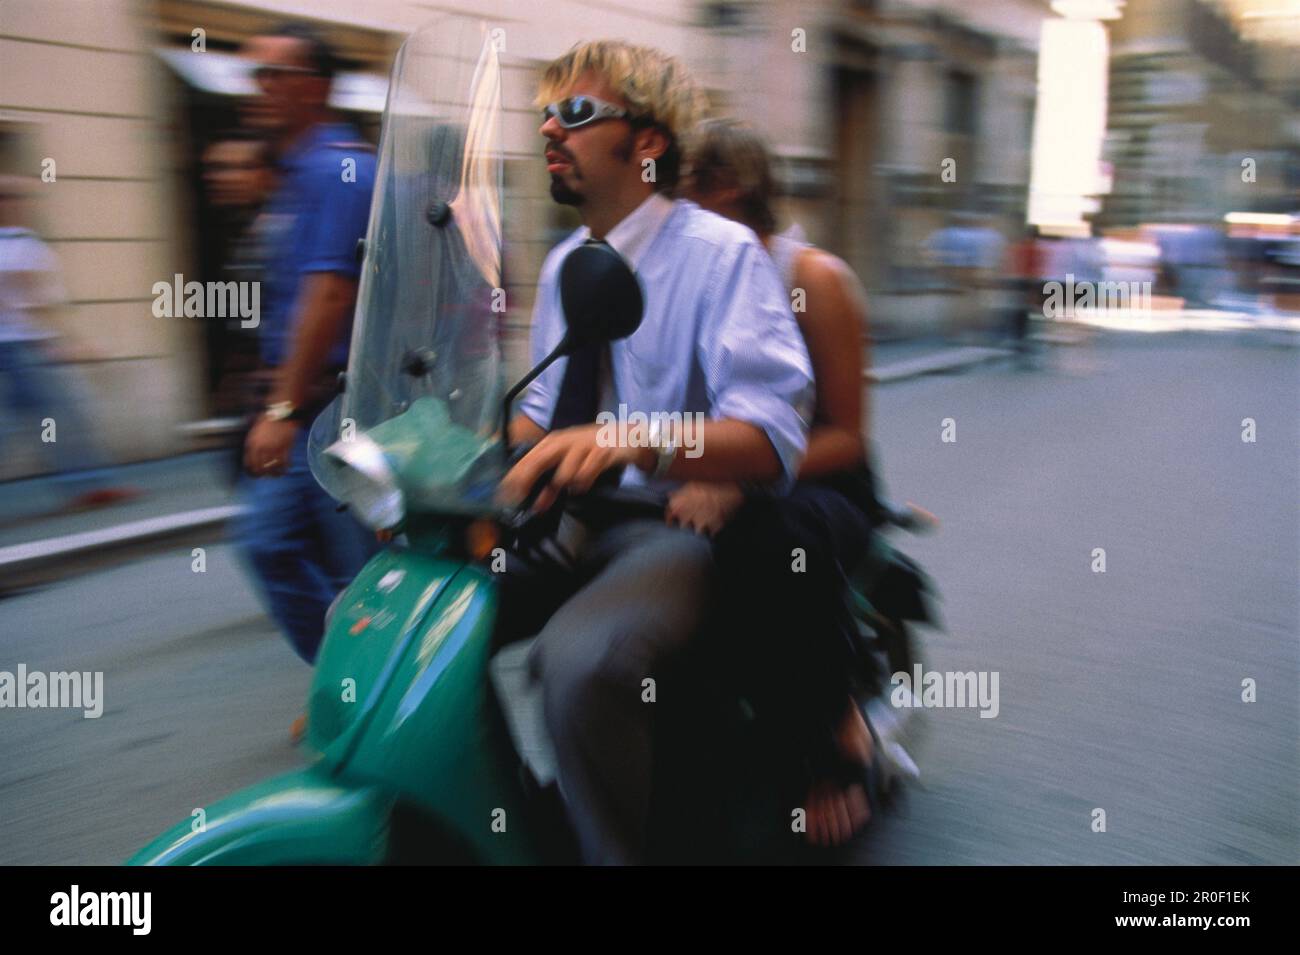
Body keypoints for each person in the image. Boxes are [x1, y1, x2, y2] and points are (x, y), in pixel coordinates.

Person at [496, 42, 815, 865]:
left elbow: (770, 432)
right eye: (545, 115)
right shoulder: (569, 263)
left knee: (579, 664)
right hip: (564, 519)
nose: (549, 130)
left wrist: (634, 439)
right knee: (430, 628)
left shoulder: (720, 255)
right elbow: (540, 411)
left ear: (647, 143)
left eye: (574, 113)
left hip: (668, 523)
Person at [674, 118, 878, 847]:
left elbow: (848, 434)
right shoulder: (694, 279)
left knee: (769, 541)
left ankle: (838, 728)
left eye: (686, 199)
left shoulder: (810, 278)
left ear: (728, 192)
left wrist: (744, 482)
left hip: (821, 484)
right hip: (726, 471)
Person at [233, 24, 378, 664]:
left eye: (275, 75)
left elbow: (329, 295)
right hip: (307, 404)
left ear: (316, 86)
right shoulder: (295, 175)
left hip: (332, 409)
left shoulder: (336, 168)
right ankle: (343, 681)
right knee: (270, 544)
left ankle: (373, 696)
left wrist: (282, 411)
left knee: (362, 571)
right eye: (254, 75)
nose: (258, 89)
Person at [0, 173, 137, 511]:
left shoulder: (22, 245)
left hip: (22, 344)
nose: (19, 205)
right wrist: (74, 342)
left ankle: (88, 482)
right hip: (23, 345)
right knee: (63, 415)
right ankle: (89, 484)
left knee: (47, 417)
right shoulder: (25, 248)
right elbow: (45, 306)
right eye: (12, 198)